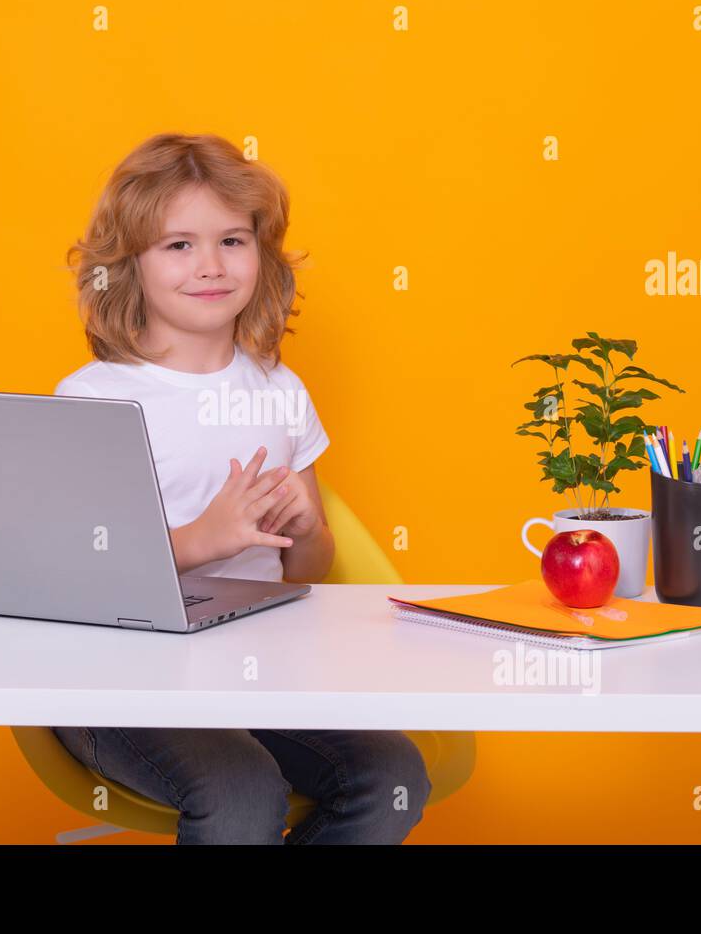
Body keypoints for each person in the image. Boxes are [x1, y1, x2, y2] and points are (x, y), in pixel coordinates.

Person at [51, 132, 431, 844]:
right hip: (118, 684)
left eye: (232, 240)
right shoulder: (94, 398)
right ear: (128, 265)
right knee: (241, 789)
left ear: (263, 252)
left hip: (255, 670)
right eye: (178, 246)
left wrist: (308, 531)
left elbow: (304, 570)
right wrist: (201, 541)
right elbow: (79, 580)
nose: (211, 266)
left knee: (392, 775)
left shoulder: (279, 390)